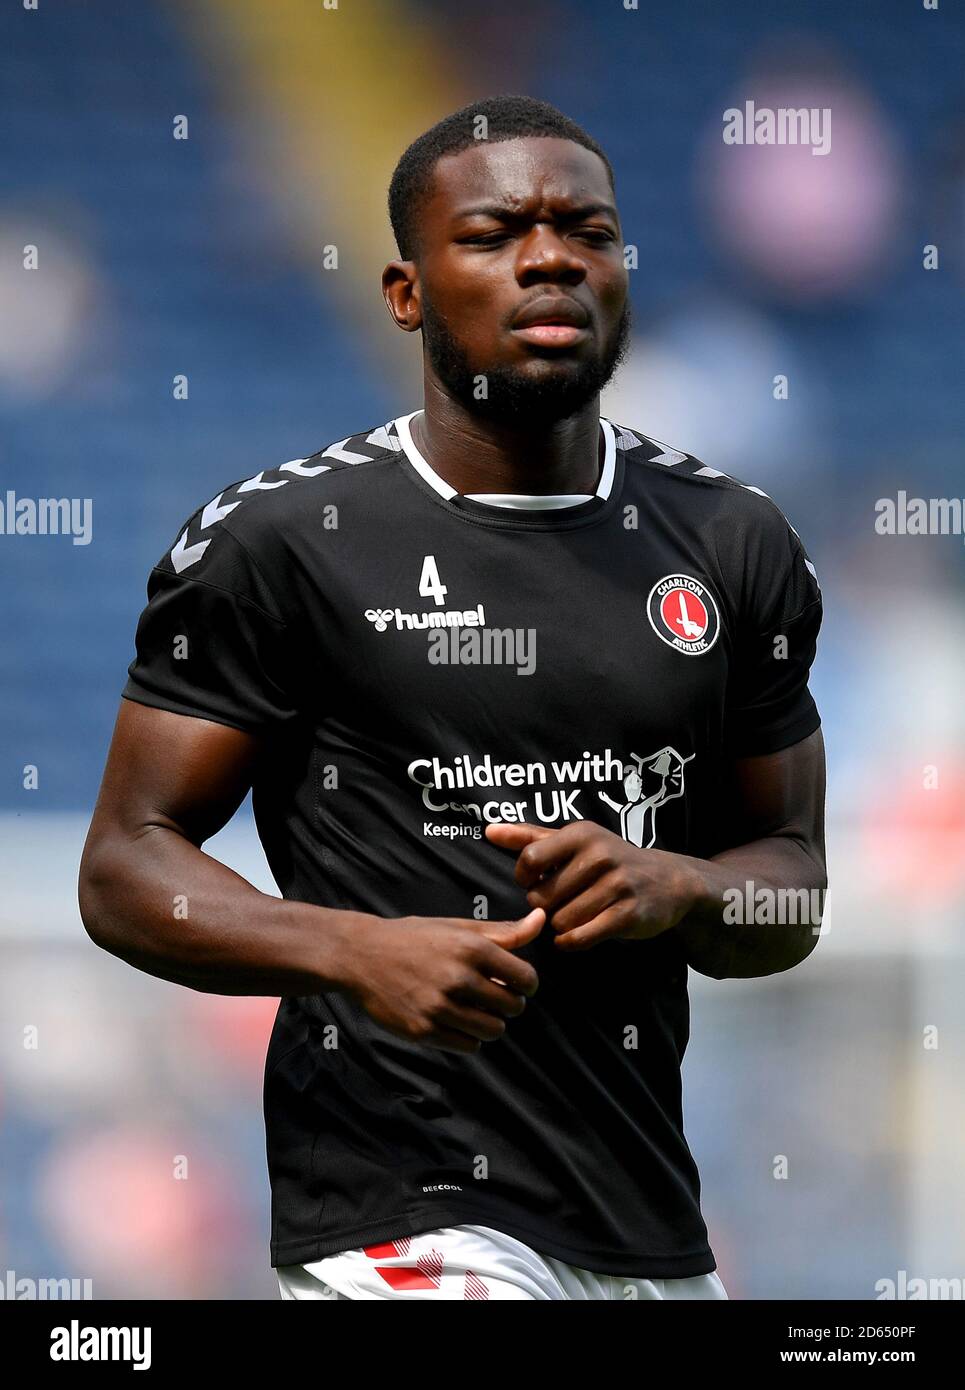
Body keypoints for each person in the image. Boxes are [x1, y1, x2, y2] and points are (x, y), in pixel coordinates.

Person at [78, 94, 826, 1302]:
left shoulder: (732, 544)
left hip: (646, 1228)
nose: (548, 259)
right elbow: (123, 865)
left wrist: (676, 887)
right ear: (405, 290)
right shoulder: (284, 543)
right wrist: (353, 950)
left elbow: (788, 891)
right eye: (494, 234)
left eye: (584, 229)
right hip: (399, 1216)